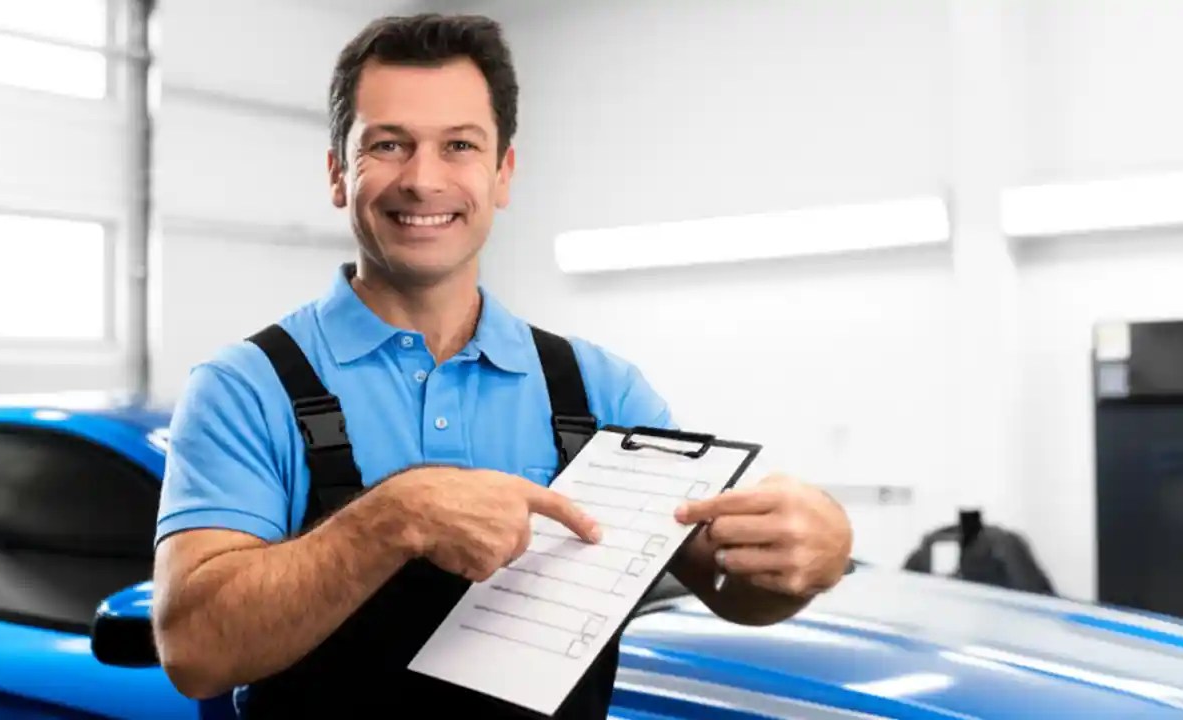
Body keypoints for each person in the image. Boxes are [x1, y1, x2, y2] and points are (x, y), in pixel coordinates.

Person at [151, 12, 854, 718]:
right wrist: (392, 518)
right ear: (339, 174)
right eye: (388, 145)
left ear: (502, 173)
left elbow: (728, 585)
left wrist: (803, 557)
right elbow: (196, 653)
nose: (424, 180)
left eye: (459, 145)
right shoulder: (245, 388)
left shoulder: (598, 392)